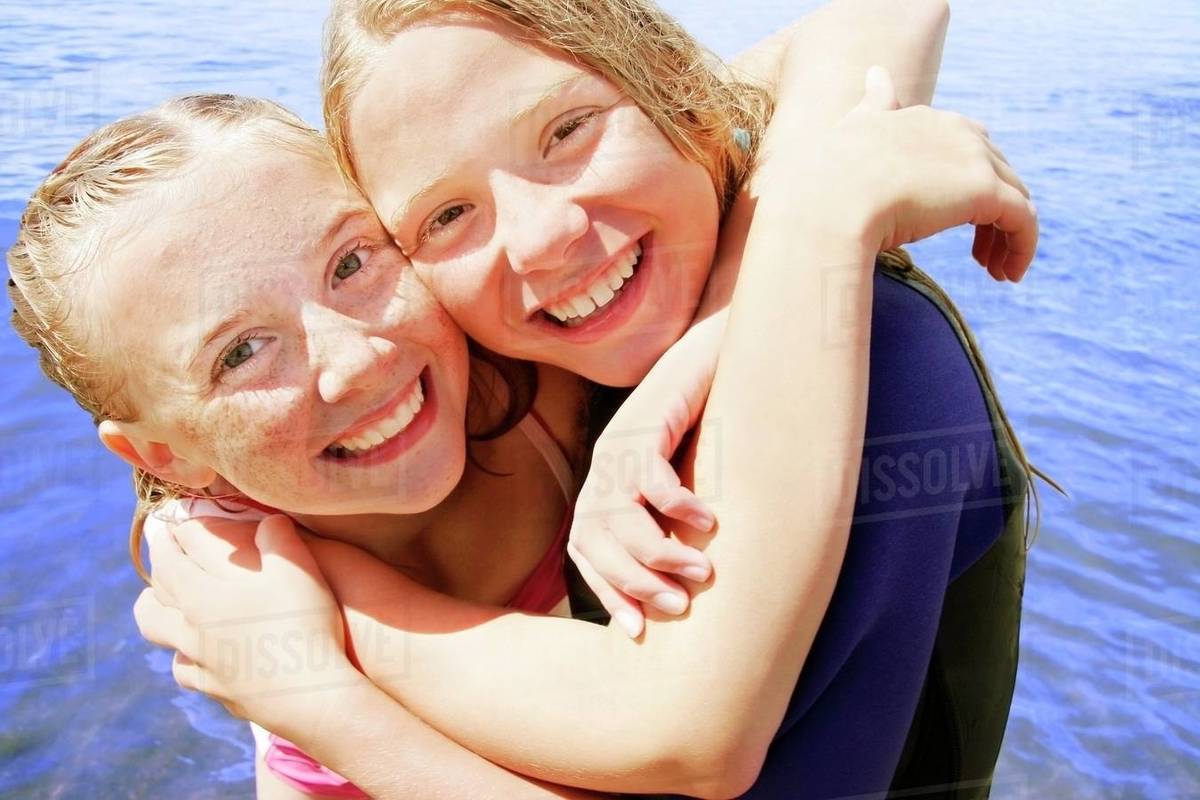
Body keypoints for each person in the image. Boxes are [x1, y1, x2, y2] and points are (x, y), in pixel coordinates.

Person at [9, 3, 1037, 800]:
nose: (356, 358)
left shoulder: (544, 368)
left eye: (354, 260)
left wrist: (792, 237)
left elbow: (859, 29)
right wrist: (305, 690)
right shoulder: (269, 576)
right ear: (164, 451)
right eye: (239, 352)